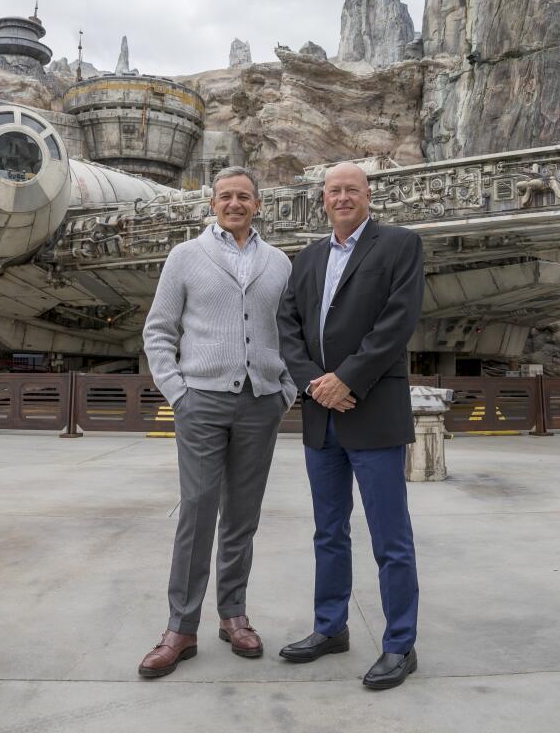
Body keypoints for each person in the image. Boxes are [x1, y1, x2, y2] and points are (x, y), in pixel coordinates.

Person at [139, 166, 296, 678]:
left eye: (244, 196)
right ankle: (180, 627)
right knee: (198, 511)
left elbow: (292, 336)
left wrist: (286, 392)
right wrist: (178, 393)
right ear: (212, 204)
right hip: (201, 401)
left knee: (242, 517)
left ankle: (233, 615)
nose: (235, 203)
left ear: (257, 203)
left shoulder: (279, 263)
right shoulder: (186, 256)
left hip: (261, 402)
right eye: (225, 196)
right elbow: (159, 329)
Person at [276, 161, 425, 690]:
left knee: (390, 537)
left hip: (373, 412)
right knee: (329, 532)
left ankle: (399, 644)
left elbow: (397, 321)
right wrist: (315, 382)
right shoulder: (309, 257)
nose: (342, 198)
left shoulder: (400, 245)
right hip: (321, 416)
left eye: (351, 190)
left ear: (368, 195)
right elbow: (288, 326)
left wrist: (348, 380)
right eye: (333, 191)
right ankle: (330, 627)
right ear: (323, 200)